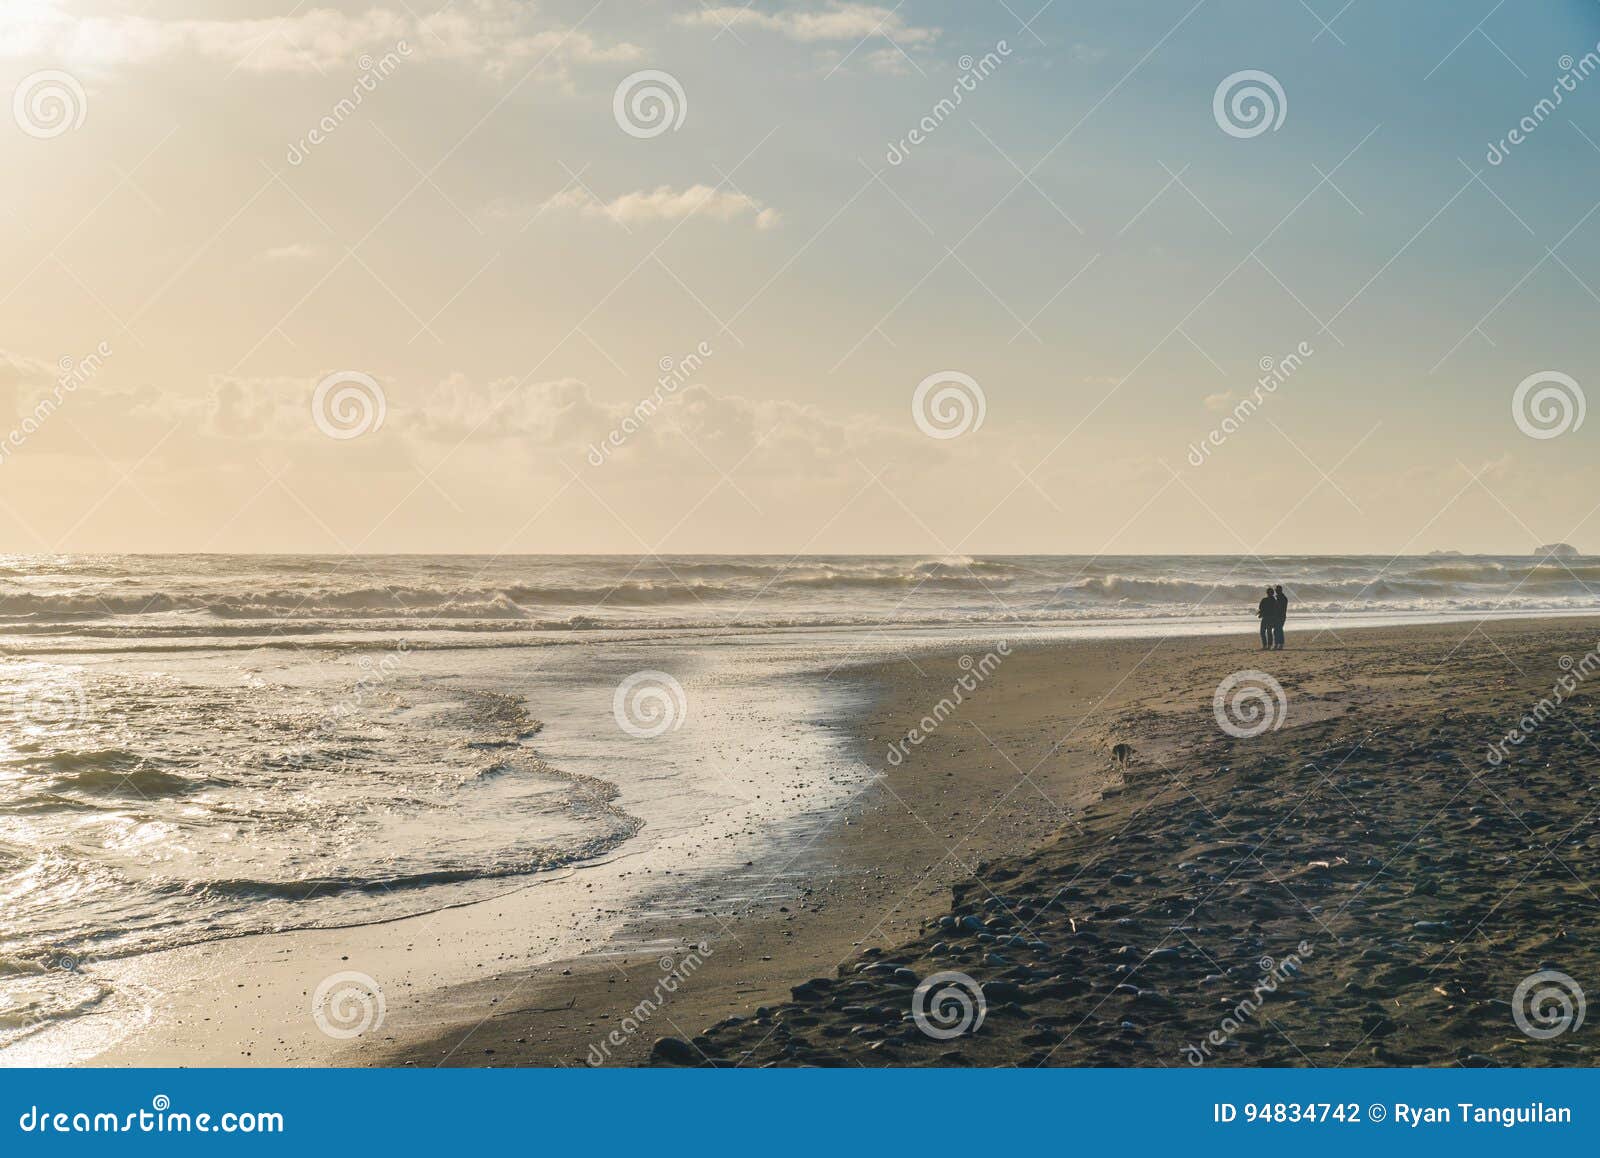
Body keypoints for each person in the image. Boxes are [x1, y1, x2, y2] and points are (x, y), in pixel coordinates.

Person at [1271, 584, 1288, 649]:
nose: (1276, 591)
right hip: (1279, 616)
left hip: (1280, 616)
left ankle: (1279, 644)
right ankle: (1279, 644)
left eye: (1277, 590)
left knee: (1277, 630)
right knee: (1278, 630)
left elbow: (1279, 607)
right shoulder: (1280, 597)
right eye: (1276, 590)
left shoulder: (1282, 598)